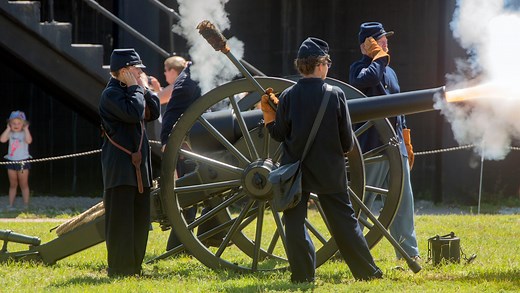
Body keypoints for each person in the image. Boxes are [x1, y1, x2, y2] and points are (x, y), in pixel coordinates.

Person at [263, 37, 382, 283]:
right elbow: (347, 142)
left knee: (294, 224)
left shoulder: (287, 96)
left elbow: (278, 134)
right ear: (320, 64)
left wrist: (267, 114)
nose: (328, 67)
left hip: (295, 171)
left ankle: (303, 276)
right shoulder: (335, 94)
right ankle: (367, 273)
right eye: (327, 63)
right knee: (344, 223)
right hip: (330, 171)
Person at [348, 22, 420, 261]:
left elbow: (398, 105)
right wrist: (378, 58)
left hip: (395, 144)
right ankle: (353, 252)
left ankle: (408, 253)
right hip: (372, 147)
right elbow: (365, 81)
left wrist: (406, 139)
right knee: (363, 204)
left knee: (403, 202)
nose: (386, 42)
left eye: (385, 38)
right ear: (367, 44)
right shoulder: (359, 67)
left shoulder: (390, 70)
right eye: (380, 39)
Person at [99, 48, 160, 277]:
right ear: (124, 71)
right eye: (136, 69)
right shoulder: (111, 94)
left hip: (139, 167)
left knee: (139, 221)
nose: (140, 73)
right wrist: (136, 88)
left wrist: (144, 87)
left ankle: (135, 267)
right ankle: (120, 269)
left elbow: (152, 111)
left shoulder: (134, 90)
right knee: (121, 222)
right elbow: (134, 113)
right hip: (120, 168)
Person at [160, 58, 225, 251]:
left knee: (214, 191)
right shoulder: (186, 84)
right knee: (189, 200)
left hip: (200, 146)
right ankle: (178, 247)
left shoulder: (194, 78)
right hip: (188, 149)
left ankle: (210, 236)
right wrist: (166, 142)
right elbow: (171, 114)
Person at [1, 111, 33, 210]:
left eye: (19, 123)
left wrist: (26, 129)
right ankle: (11, 205)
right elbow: (2, 140)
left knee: (24, 184)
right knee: (13, 184)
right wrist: (7, 129)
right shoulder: (9, 133)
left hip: (23, 161)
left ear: (23, 124)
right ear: (10, 123)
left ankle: (26, 205)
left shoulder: (24, 133)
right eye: (13, 123)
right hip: (11, 161)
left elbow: (29, 141)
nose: (16, 125)